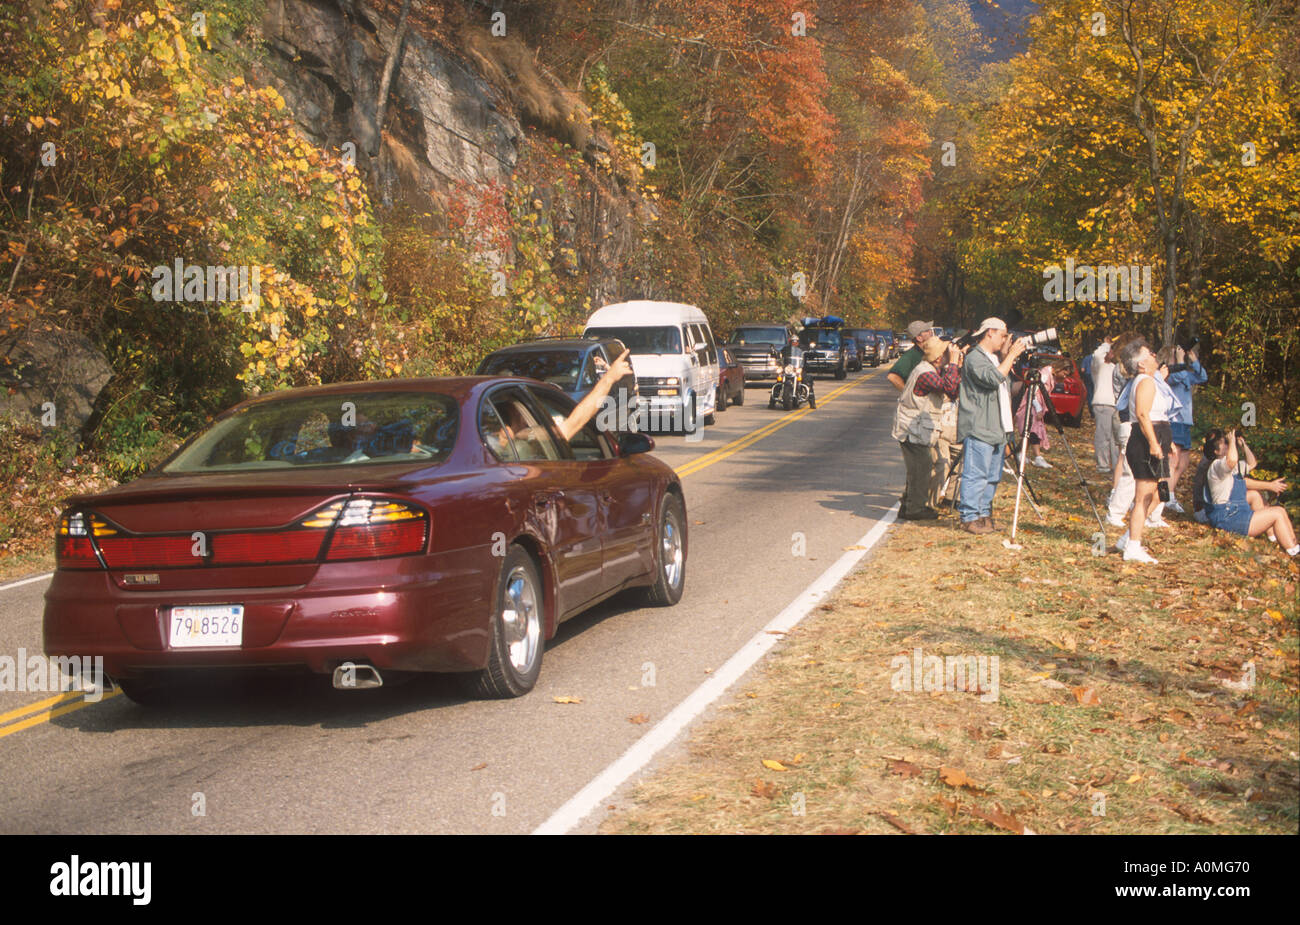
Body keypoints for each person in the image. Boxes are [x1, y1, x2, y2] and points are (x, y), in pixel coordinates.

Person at [956, 317, 1029, 534]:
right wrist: (1012, 356)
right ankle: (969, 517)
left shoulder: (994, 358)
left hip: (998, 426)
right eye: (1003, 335)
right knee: (976, 473)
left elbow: (1006, 388)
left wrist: (1027, 378)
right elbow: (991, 379)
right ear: (990, 333)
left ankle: (983, 514)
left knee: (992, 476)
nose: (1005, 339)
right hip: (980, 425)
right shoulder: (974, 358)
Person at [1113, 338, 1175, 563]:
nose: (1154, 356)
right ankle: (1133, 546)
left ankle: (1130, 536)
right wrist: (1153, 443)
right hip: (1146, 439)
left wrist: (1168, 443)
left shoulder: (1150, 381)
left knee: (1161, 492)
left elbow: (1158, 415)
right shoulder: (1145, 382)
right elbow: (1142, 414)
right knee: (1143, 497)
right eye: (1149, 354)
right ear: (1140, 364)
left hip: (1158, 435)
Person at [892, 336, 959, 520]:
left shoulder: (928, 369)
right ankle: (915, 510)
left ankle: (908, 505)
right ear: (938, 358)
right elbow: (951, 390)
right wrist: (954, 363)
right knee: (922, 468)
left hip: (913, 429)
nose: (948, 355)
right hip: (912, 430)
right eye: (945, 353)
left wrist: (953, 364)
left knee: (917, 469)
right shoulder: (925, 374)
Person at [1202, 428, 1298, 555]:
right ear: (1216, 451)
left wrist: (1243, 445)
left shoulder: (1229, 466)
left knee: (1254, 495)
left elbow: (1252, 463)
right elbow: (1232, 461)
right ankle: (1293, 551)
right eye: (1223, 443)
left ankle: (1276, 538)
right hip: (1227, 518)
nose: (1226, 444)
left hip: (1231, 512)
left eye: (1226, 442)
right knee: (1278, 512)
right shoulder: (1218, 465)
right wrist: (1231, 441)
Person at [1162, 343, 1207, 513]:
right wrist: (1180, 361)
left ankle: (1169, 493)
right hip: (1174, 421)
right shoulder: (1168, 375)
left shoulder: (1184, 374)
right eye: (1175, 355)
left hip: (1186, 423)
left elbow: (1202, 377)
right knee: (1172, 461)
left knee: (1183, 463)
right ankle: (1168, 497)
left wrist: (1194, 361)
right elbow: (1178, 377)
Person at [1090, 336, 1119, 473]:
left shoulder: (1116, 368)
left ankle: (1115, 465)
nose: (1110, 354)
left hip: (1115, 405)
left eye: (1112, 352)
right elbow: (1096, 355)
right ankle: (1103, 465)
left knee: (1115, 438)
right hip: (1102, 404)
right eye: (1109, 351)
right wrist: (1106, 344)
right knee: (1103, 436)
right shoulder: (1098, 365)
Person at [887, 321, 935, 392]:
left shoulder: (929, 352)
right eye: (927, 331)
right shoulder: (911, 355)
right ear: (919, 338)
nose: (931, 333)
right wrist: (908, 395)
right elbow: (892, 377)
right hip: (921, 402)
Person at [779, 334, 816, 408]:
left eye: (796, 341)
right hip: (788, 369)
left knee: (807, 382)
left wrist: (811, 353)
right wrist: (776, 354)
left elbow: (809, 353)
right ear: (790, 342)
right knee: (778, 381)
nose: (794, 343)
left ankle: (812, 402)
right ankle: (772, 402)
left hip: (798, 368)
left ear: (798, 342)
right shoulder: (785, 349)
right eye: (793, 341)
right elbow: (780, 355)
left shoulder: (802, 348)